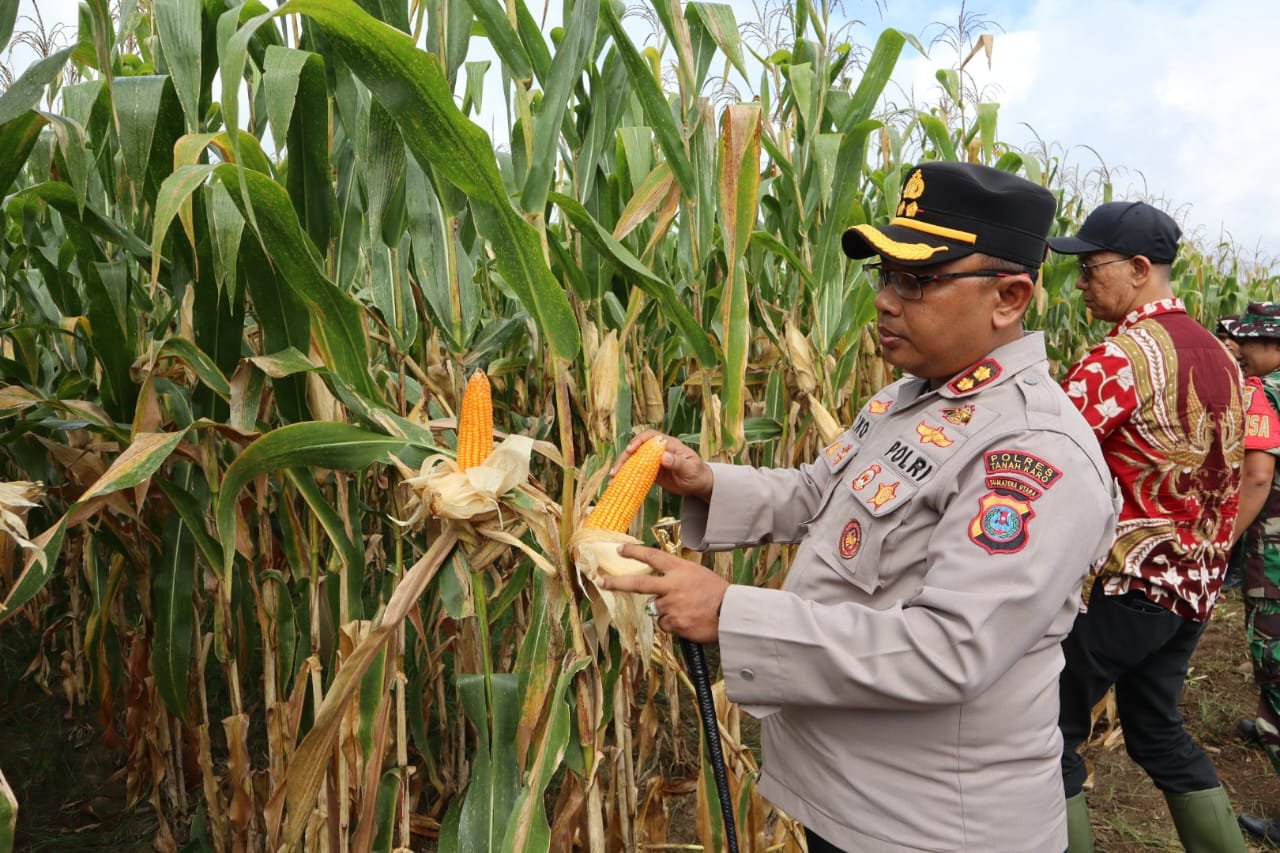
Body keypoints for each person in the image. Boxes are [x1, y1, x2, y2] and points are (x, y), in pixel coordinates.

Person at [599, 162, 1119, 852]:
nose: (884, 299)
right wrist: (706, 482)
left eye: (917, 280)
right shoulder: (909, 399)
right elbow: (822, 494)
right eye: (884, 274)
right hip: (856, 801)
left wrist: (731, 612)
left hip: (931, 828)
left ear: (1010, 296)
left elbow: (949, 649)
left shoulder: (1034, 451)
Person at [1048, 201, 1247, 852]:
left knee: (1045, 730)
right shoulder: (1222, 354)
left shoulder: (1121, 358)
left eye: (1089, 266)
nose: (1079, 280)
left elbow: (1046, 454)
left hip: (1128, 587)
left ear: (1138, 268)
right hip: (1195, 589)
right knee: (1156, 727)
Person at [1223, 302, 1280, 845]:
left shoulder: (1265, 392)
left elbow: (1258, 479)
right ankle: (1267, 726)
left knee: (1274, 656)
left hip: (1278, 555)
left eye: (1247, 342)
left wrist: (1224, 541)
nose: (1240, 352)